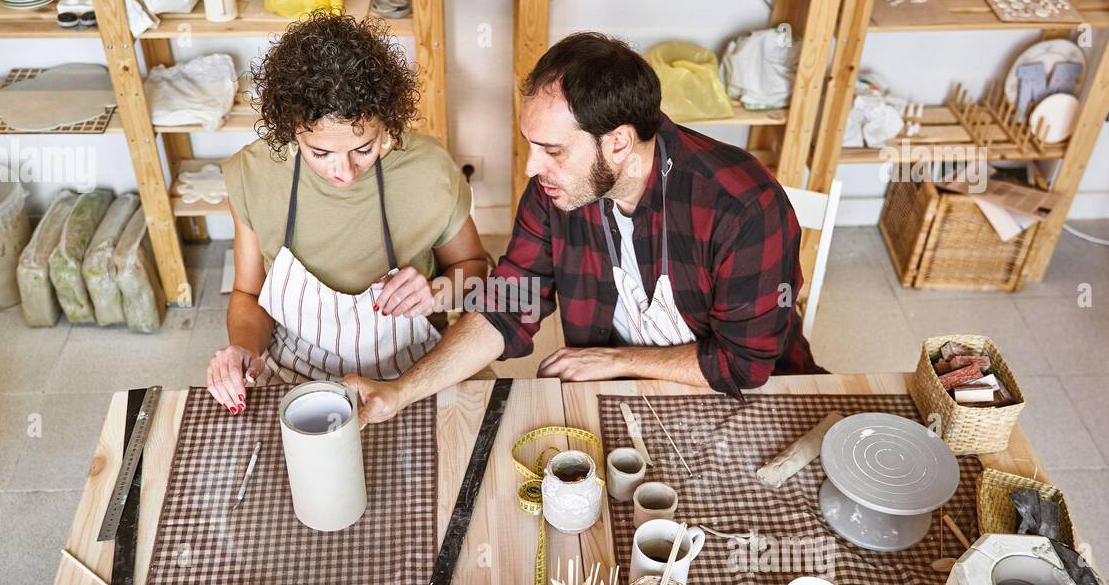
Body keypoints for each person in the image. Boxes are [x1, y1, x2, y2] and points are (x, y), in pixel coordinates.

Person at [347, 31, 823, 424]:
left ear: (618, 143)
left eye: (553, 151)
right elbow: (506, 306)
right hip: (621, 398)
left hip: (746, 399)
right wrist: (399, 392)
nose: (533, 168)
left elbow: (743, 366)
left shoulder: (742, 206)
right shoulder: (556, 193)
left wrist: (616, 361)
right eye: (531, 145)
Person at [206, 11, 489, 412]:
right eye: (320, 153)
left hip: (411, 371)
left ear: (387, 121)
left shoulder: (428, 170)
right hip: (295, 370)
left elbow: (475, 267)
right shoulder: (255, 175)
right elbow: (248, 293)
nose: (344, 171)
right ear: (291, 129)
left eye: (364, 148)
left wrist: (438, 292)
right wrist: (245, 349)